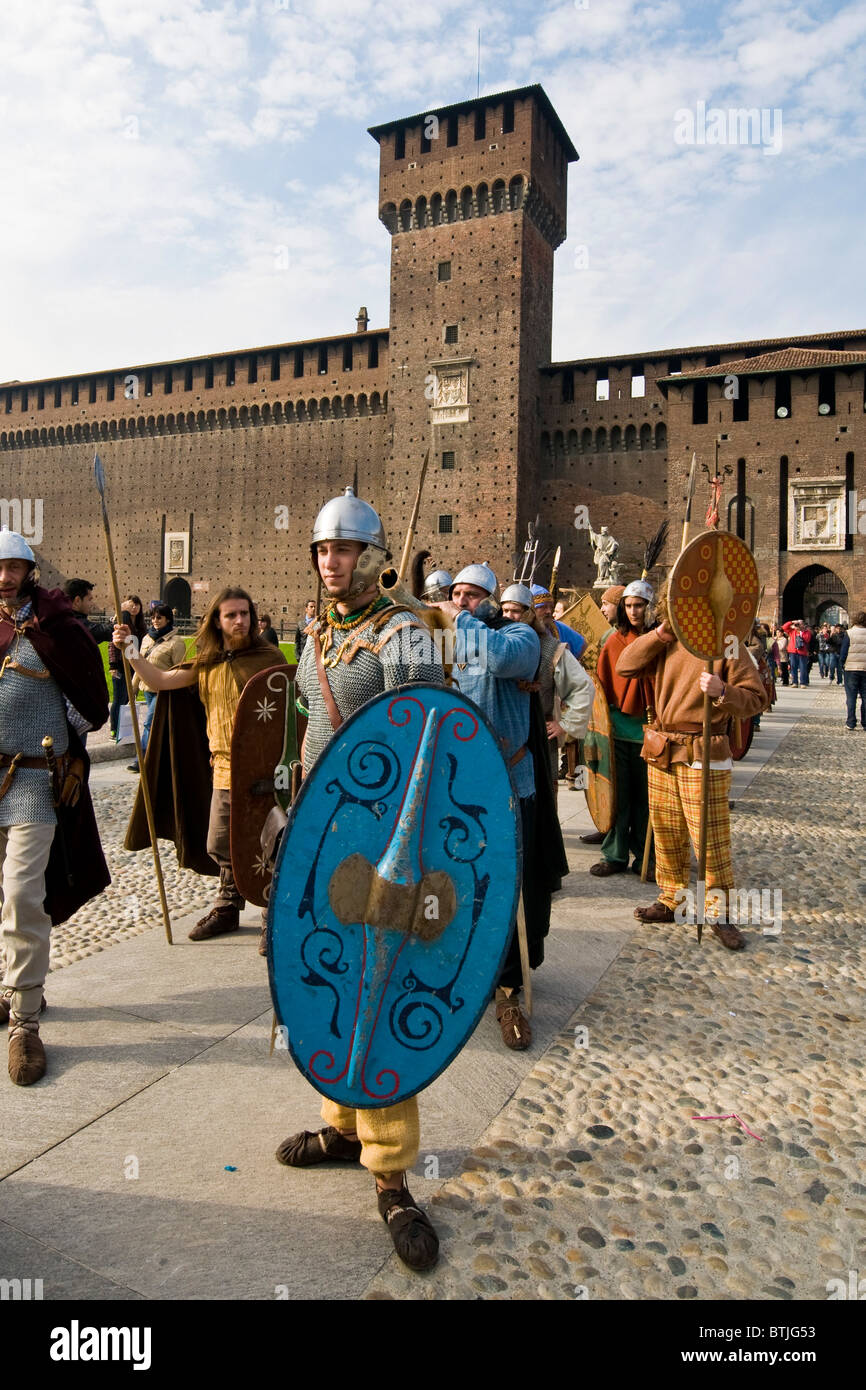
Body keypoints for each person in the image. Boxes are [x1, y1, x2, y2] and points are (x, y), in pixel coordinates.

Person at [276, 487, 444, 1273]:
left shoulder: (403, 636)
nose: (328, 563)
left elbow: (429, 750)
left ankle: (392, 1175)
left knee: (376, 996)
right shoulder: (317, 637)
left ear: (372, 559)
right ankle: (342, 1127)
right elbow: (310, 728)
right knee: (330, 986)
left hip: (380, 852)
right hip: (319, 846)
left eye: (342, 550)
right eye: (320, 550)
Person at [436, 564, 567, 1051]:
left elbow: (498, 661)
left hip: (510, 783)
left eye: (472, 595)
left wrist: (457, 618)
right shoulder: (448, 638)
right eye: (456, 594)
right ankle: (464, 970)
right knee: (458, 883)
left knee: (505, 890)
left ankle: (508, 990)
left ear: (491, 601)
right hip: (457, 787)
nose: (462, 600)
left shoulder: (518, 636)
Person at [116, 587, 286, 951]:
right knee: (220, 842)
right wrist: (130, 648)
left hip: (264, 769)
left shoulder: (269, 657)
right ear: (217, 621)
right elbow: (158, 681)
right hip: (223, 768)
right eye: (231, 615)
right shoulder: (206, 662)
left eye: (245, 613)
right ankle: (227, 906)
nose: (240, 621)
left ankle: (273, 916)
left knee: (269, 844)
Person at [0, 532, 109, 1084]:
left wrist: (67, 748)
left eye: (13, 566)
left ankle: (24, 1021)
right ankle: (8, 990)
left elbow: (91, 707)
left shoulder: (57, 629)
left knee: (22, 893)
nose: (4, 576)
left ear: (29, 569)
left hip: (35, 783)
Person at [618, 582, 765, 950]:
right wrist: (663, 631)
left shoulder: (726, 642)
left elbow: (756, 698)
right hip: (662, 746)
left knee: (710, 841)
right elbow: (626, 665)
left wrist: (723, 691)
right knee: (667, 832)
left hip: (704, 749)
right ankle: (673, 900)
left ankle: (720, 913)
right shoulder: (665, 638)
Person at [500, 583, 594, 791]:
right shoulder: (496, 644)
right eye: (505, 610)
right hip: (504, 736)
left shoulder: (550, 648)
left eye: (515, 611)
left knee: (543, 802)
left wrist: (565, 724)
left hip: (540, 737)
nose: (509, 616)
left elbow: (583, 687)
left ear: (529, 614)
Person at [590, 579, 653, 878]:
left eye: (639, 605)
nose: (633, 611)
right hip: (617, 731)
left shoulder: (660, 640)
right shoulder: (612, 641)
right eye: (628, 606)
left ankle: (646, 856)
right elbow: (602, 687)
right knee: (618, 797)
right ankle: (614, 854)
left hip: (651, 732)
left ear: (649, 607)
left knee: (646, 800)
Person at [129, 603, 186, 769]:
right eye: (153, 617)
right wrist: (133, 688)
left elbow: (179, 669)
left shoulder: (176, 642)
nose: (155, 620)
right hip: (147, 689)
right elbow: (140, 664)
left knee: (149, 723)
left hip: (164, 690)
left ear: (168, 619)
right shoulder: (147, 638)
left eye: (159, 617)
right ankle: (163, 756)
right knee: (159, 724)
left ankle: (143, 758)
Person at [109, 595, 146, 740]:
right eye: (132, 604)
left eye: (137, 604)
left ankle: (124, 729)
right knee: (119, 697)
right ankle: (114, 729)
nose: (134, 607)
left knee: (129, 698)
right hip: (120, 664)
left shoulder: (141, 625)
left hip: (134, 665)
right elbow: (112, 644)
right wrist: (113, 665)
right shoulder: (122, 620)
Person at [64, 579, 114, 644]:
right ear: (77, 601)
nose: (92, 604)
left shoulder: (63, 618)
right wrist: (125, 613)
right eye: (89, 599)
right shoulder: (74, 623)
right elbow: (103, 631)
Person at [840, 612, 866, 730]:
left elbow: (844, 652)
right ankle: (865, 722)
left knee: (851, 697)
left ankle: (851, 722)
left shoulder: (849, 633)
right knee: (865, 697)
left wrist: (842, 664)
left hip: (851, 668)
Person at [782, 618, 812, 688]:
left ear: (803, 625)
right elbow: (784, 627)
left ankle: (803, 683)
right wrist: (791, 622)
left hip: (802, 652)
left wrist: (800, 632)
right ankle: (795, 682)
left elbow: (807, 640)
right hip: (793, 651)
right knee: (793, 667)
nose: (798, 625)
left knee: (803, 668)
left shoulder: (806, 632)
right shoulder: (792, 631)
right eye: (797, 624)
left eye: (800, 624)